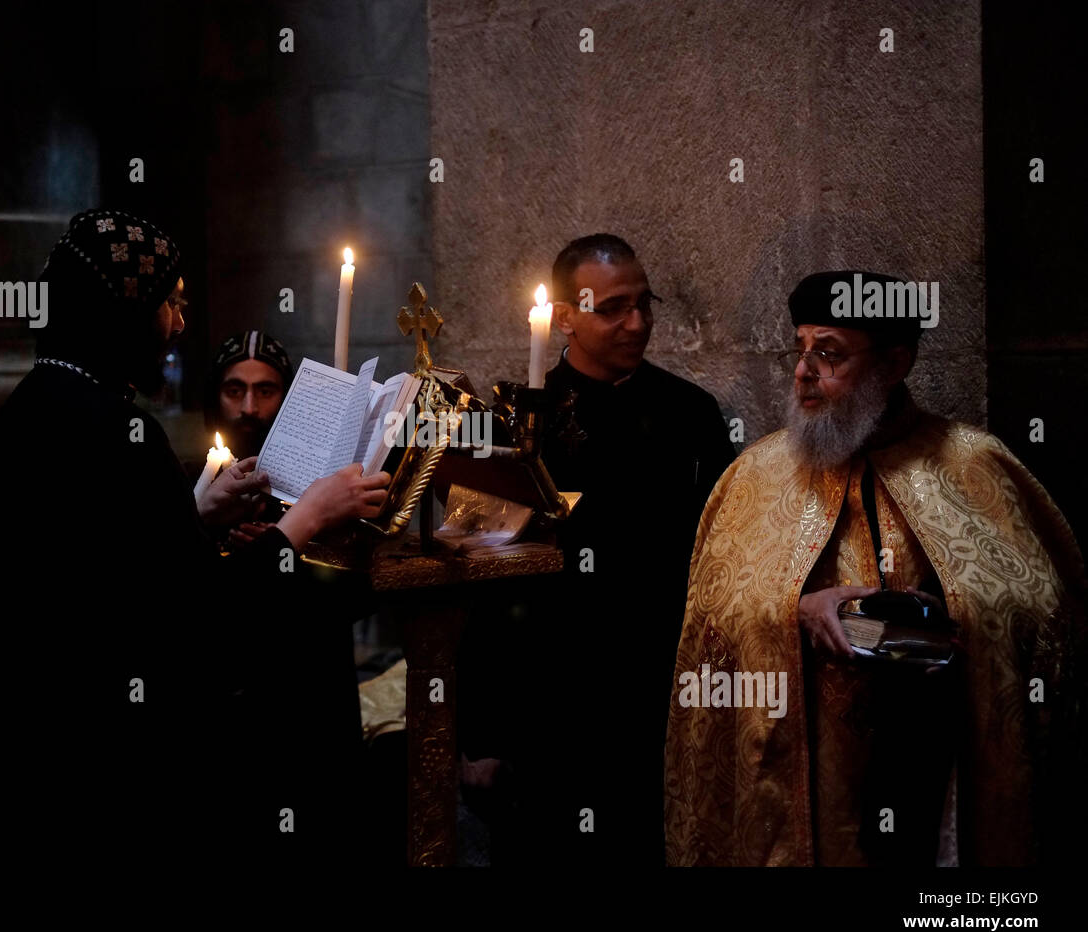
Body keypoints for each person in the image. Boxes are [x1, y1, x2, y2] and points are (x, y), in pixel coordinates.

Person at [0, 210, 389, 875]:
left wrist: (193, 515)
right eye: (168, 304)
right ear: (121, 311)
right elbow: (197, 626)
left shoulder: (17, 422)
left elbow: (102, 573)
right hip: (111, 795)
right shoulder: (120, 436)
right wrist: (306, 519)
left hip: (24, 779)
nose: (178, 324)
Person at [665, 270, 1086, 866]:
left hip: (935, 772)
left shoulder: (976, 464)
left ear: (895, 363)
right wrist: (797, 611)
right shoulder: (753, 478)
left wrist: (948, 612)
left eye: (829, 353)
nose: (803, 371)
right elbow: (708, 625)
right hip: (804, 780)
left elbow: (1051, 618)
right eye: (800, 348)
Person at [459, 234, 736, 864]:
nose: (637, 323)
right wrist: (480, 732)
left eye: (644, 304)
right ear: (563, 318)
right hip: (545, 702)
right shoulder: (516, 422)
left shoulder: (691, 413)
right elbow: (484, 579)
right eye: (613, 308)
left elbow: (722, 555)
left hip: (652, 695)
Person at [205, 330, 293, 462]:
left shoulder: (314, 480)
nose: (249, 409)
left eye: (265, 392)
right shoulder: (189, 480)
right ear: (215, 397)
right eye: (234, 392)